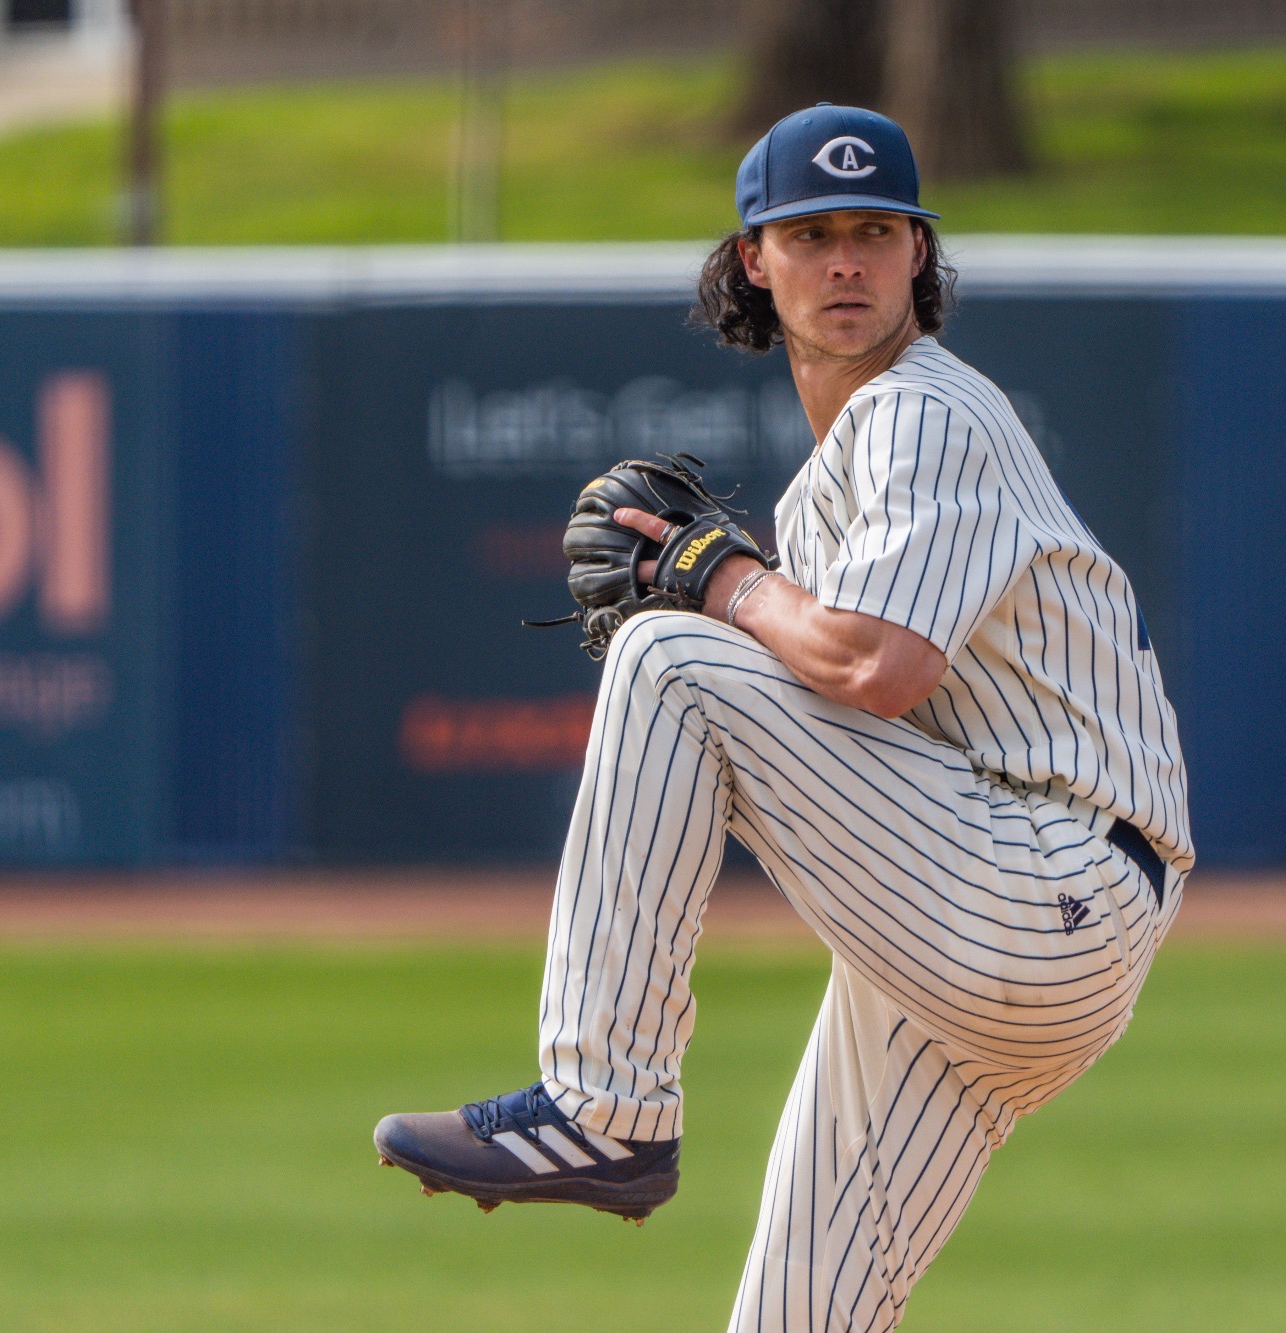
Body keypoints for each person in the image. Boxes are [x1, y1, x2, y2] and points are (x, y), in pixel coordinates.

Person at [374, 103, 1191, 1332]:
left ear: (920, 254)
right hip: (967, 941)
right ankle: (611, 1112)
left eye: (875, 230)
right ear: (754, 259)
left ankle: (605, 1108)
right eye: (811, 235)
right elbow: (833, 694)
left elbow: (874, 664)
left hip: (1048, 882)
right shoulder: (825, 503)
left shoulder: (929, 410)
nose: (846, 261)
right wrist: (743, 585)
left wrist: (718, 579)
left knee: (661, 652)